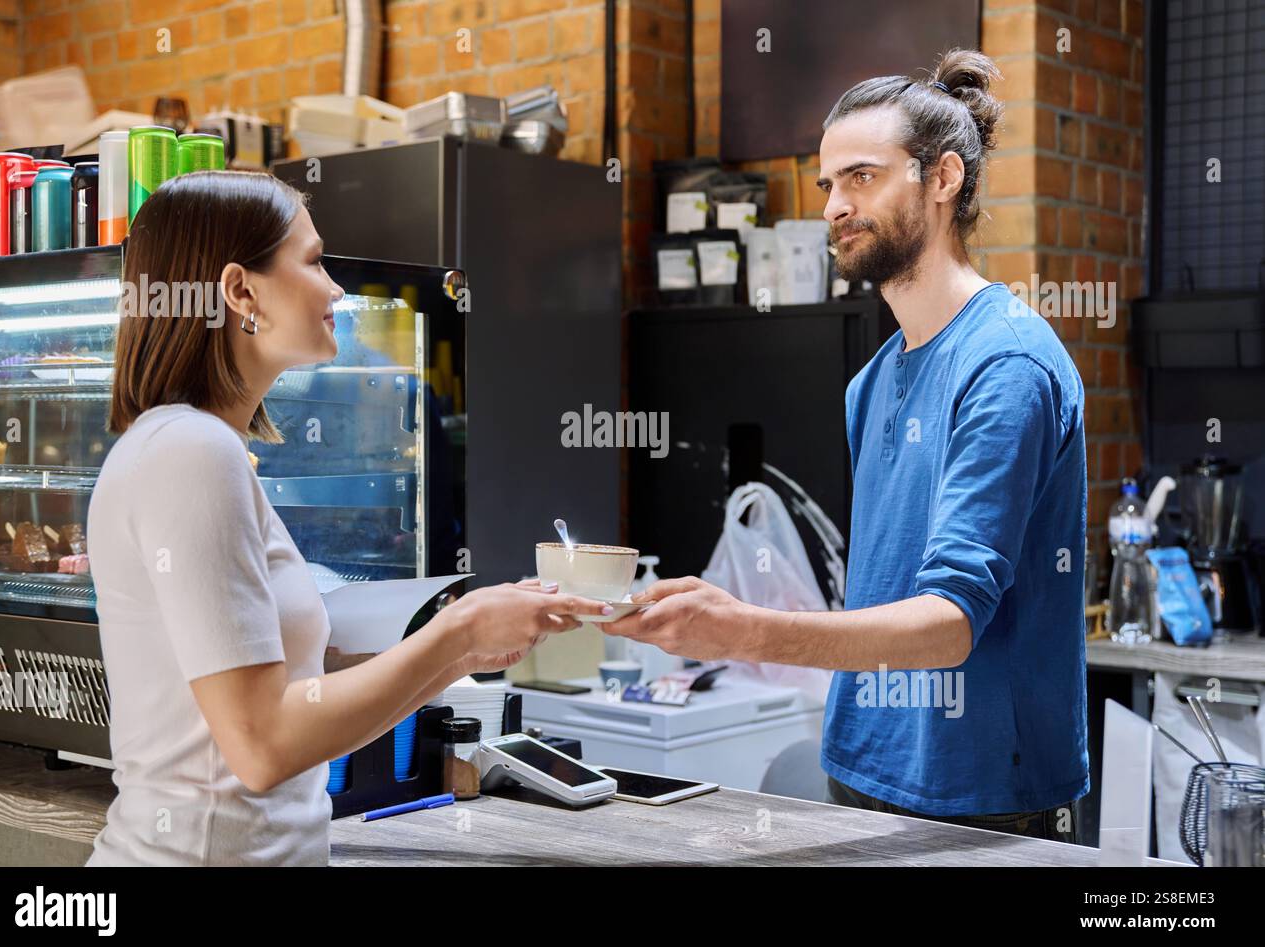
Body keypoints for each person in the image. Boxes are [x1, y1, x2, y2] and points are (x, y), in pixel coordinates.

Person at [603, 49, 1089, 842]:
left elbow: (949, 622)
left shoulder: (1007, 365)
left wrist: (741, 628)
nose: (833, 204)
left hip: (982, 791)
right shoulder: (871, 383)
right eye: (827, 183)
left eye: (861, 177)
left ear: (943, 180)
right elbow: (887, 585)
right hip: (860, 758)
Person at [86, 170, 612, 865]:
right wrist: (455, 632)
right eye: (312, 261)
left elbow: (292, 708)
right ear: (241, 292)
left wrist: (465, 649)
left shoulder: (196, 447)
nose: (335, 288)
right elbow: (263, 745)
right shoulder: (191, 451)